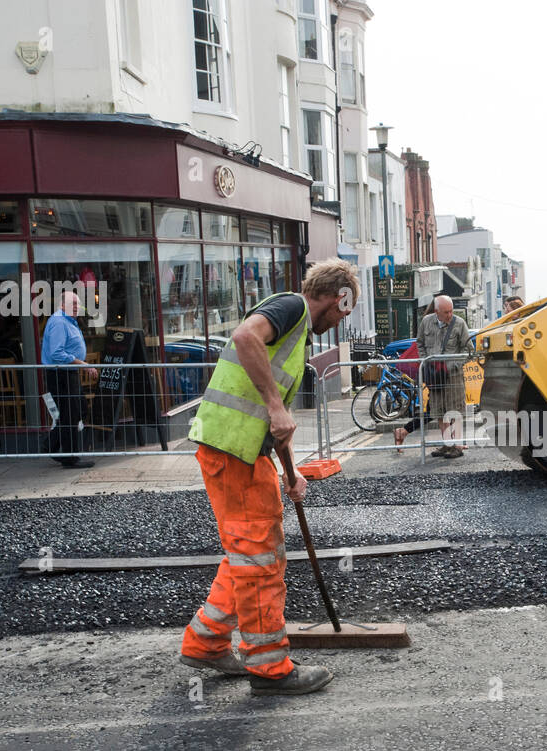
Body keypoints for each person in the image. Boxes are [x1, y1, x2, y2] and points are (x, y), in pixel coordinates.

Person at [182, 258, 359, 697]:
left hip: (241, 451)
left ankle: (205, 642)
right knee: (259, 556)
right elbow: (245, 337)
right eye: (344, 311)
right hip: (232, 451)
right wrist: (275, 406)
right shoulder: (292, 307)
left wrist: (291, 470)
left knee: (250, 553)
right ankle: (269, 667)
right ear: (338, 298)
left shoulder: (295, 337)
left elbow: (275, 420)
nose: (341, 322)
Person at [393, 295, 469, 457]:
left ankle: (456, 446)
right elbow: (419, 342)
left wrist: (452, 365)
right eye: (446, 312)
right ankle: (447, 445)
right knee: (439, 412)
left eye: (451, 311)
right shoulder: (426, 321)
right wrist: (424, 360)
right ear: (436, 312)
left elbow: (468, 349)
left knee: (454, 412)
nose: (450, 315)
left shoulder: (459, 324)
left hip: (453, 376)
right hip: (434, 375)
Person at [41, 290, 97, 469]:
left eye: (78, 304)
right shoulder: (59, 321)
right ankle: (69, 457)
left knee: (78, 410)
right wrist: (84, 364)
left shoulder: (68, 321)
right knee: (70, 415)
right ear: (61, 304)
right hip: (60, 374)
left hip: (69, 373)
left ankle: (51, 444)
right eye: (72, 303)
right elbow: (57, 353)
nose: (76, 307)